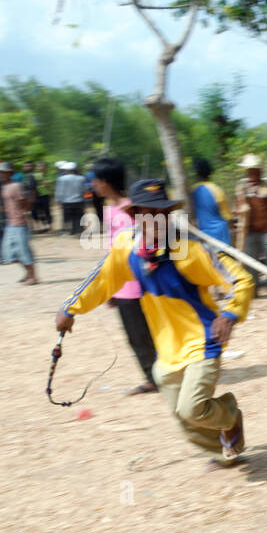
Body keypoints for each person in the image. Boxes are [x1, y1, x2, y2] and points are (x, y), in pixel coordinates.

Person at [57, 178, 255, 467]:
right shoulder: (127, 246)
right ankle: (222, 452)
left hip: (203, 341)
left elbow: (241, 279)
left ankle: (230, 414)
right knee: (180, 413)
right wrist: (70, 308)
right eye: (148, 213)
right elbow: (101, 279)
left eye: (162, 212)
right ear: (134, 215)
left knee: (191, 408)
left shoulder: (189, 250)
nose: (156, 219)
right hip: (167, 349)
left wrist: (229, 314)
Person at [91, 156, 158, 395]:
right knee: (135, 334)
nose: (93, 185)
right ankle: (153, 376)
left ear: (105, 182)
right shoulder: (109, 210)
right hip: (122, 283)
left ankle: (157, 377)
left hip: (138, 283)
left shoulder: (131, 209)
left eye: (95, 180)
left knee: (145, 332)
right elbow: (113, 250)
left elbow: (145, 245)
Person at [234, 154, 267, 293]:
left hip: (266, 233)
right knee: (251, 260)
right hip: (250, 233)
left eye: (254, 171)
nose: (251, 174)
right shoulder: (242, 189)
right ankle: (254, 288)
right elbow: (238, 209)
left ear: (259, 171)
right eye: (249, 171)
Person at [0, 162, 37, 284]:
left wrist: (22, 212)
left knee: (24, 251)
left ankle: (33, 277)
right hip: (10, 223)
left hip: (19, 223)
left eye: (4, 172)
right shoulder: (4, 186)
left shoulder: (16, 186)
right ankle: (28, 273)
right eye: (0, 173)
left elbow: (25, 202)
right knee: (10, 253)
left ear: (10, 173)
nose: (1, 175)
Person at [191, 157, 231, 245]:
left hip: (203, 236)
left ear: (197, 173)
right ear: (210, 172)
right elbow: (227, 216)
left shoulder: (192, 191)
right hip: (221, 237)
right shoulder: (217, 190)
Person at [54, 162, 85, 235]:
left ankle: (68, 230)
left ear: (66, 170)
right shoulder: (81, 178)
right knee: (78, 216)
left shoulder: (61, 179)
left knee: (67, 216)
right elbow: (83, 190)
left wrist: (58, 200)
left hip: (66, 201)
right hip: (79, 200)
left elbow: (59, 191)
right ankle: (79, 230)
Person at [31, 161, 52, 232]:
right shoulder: (35, 175)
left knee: (47, 211)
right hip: (38, 196)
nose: (41, 168)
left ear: (45, 167)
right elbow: (33, 187)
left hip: (46, 195)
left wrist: (47, 185)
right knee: (40, 212)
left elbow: (50, 186)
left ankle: (50, 226)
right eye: (39, 166)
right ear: (37, 167)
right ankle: (43, 226)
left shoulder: (48, 175)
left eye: (42, 166)